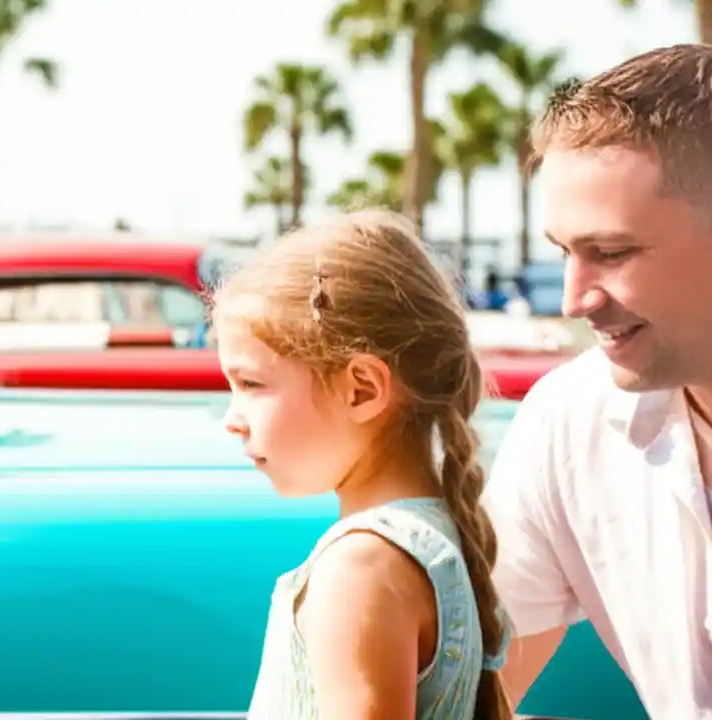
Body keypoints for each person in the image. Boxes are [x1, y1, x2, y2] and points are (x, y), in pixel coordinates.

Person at [485, 44, 712, 720]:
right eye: (565, 253)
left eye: (611, 253)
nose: (574, 299)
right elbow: (470, 693)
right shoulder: (569, 425)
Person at [210, 209, 512, 719]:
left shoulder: (360, 570)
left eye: (252, 385)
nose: (231, 420)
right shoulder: (431, 540)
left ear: (362, 389)